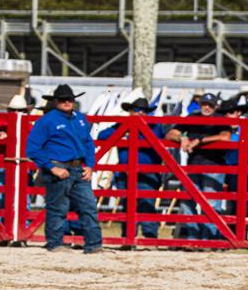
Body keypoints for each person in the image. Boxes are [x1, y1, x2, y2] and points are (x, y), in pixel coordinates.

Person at [23, 85, 103, 254]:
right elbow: (32, 149)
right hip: (58, 166)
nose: (67, 102)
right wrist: (52, 167)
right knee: (58, 207)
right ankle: (55, 243)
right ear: (56, 101)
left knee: (88, 206)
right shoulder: (46, 120)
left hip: (78, 168)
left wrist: (89, 165)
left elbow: (88, 143)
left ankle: (94, 244)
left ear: (74, 101)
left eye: (70, 99)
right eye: (62, 99)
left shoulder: (80, 119)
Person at [97, 92, 172, 240]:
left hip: (148, 171)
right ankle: (128, 236)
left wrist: (133, 133)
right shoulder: (121, 125)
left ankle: (150, 236)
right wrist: (124, 130)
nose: (140, 113)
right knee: (127, 204)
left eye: (144, 110)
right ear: (130, 111)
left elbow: (158, 140)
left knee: (147, 203)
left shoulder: (154, 126)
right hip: (125, 171)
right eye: (137, 110)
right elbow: (102, 136)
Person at [164, 94, 238, 241]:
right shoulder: (192, 117)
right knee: (187, 202)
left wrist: (199, 140)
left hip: (214, 166)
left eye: (210, 104)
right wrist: (182, 138)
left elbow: (225, 137)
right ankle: (193, 237)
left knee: (210, 204)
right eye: (204, 104)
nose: (207, 107)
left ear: (215, 106)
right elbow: (171, 134)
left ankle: (208, 239)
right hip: (193, 165)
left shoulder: (220, 119)